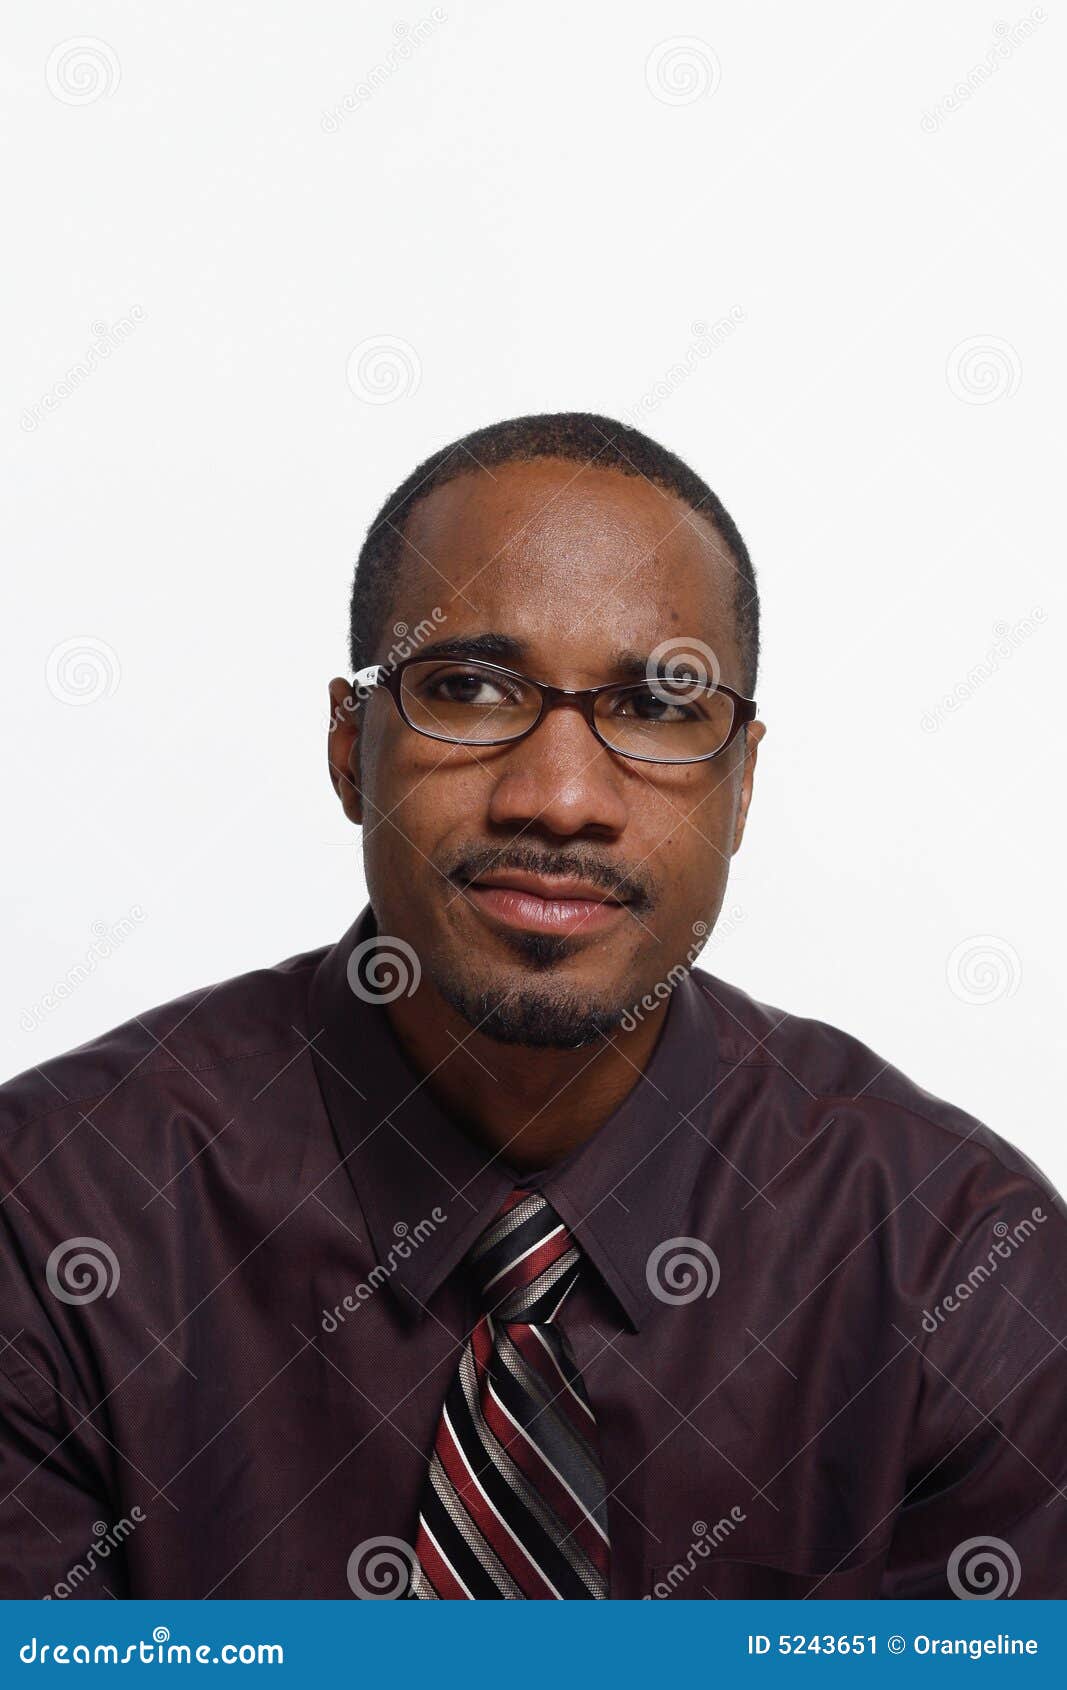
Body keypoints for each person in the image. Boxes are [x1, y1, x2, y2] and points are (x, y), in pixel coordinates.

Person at [1, 412, 1063, 1600]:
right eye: (466, 689)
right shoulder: (49, 1227)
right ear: (351, 748)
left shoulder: (959, 1266)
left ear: (743, 780)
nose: (559, 799)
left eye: (658, 705)